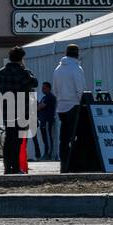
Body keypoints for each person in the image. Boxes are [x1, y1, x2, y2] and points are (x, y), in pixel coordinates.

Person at [0, 45, 38, 175]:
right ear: (21, 58)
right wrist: (24, 68)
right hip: (21, 110)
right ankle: (16, 167)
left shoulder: (1, 72)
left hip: (7, 110)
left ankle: (7, 168)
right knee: (18, 141)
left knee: (9, 139)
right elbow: (35, 82)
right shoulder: (23, 72)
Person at [52, 44, 87, 173]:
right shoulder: (76, 68)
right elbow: (81, 90)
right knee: (77, 136)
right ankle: (75, 164)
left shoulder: (58, 69)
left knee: (64, 138)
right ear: (77, 54)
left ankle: (64, 165)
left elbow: (54, 90)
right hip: (74, 105)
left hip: (61, 107)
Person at [35, 81, 57, 161]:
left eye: (44, 88)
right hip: (43, 121)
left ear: (48, 88)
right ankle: (46, 153)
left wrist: (37, 106)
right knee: (45, 139)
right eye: (42, 88)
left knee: (48, 138)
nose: (42, 89)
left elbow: (39, 107)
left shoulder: (50, 97)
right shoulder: (44, 97)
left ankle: (49, 154)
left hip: (48, 121)